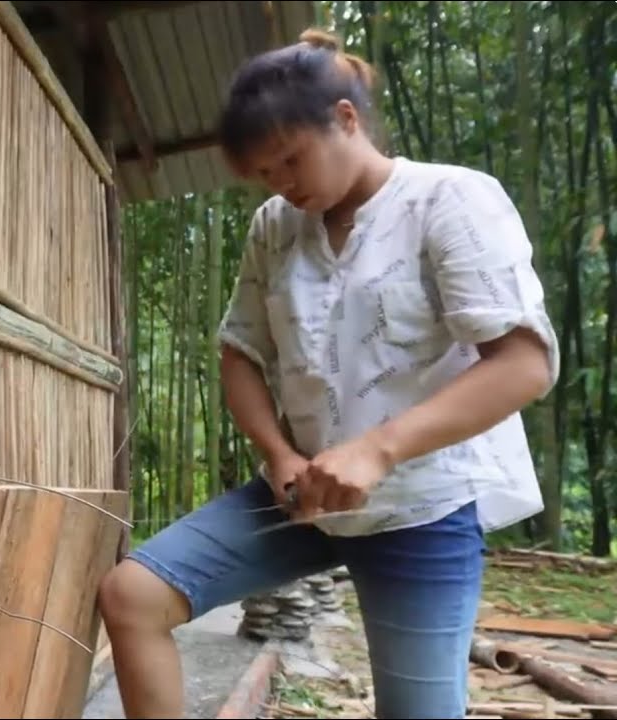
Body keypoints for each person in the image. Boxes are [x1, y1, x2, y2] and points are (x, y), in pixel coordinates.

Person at [97, 28, 559, 720]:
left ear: (346, 120)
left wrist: (378, 450)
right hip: (298, 499)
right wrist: (278, 452)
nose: (282, 183)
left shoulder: (450, 200)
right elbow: (240, 353)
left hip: (421, 507)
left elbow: (524, 363)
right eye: (264, 173)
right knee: (132, 595)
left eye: (291, 159)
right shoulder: (273, 227)